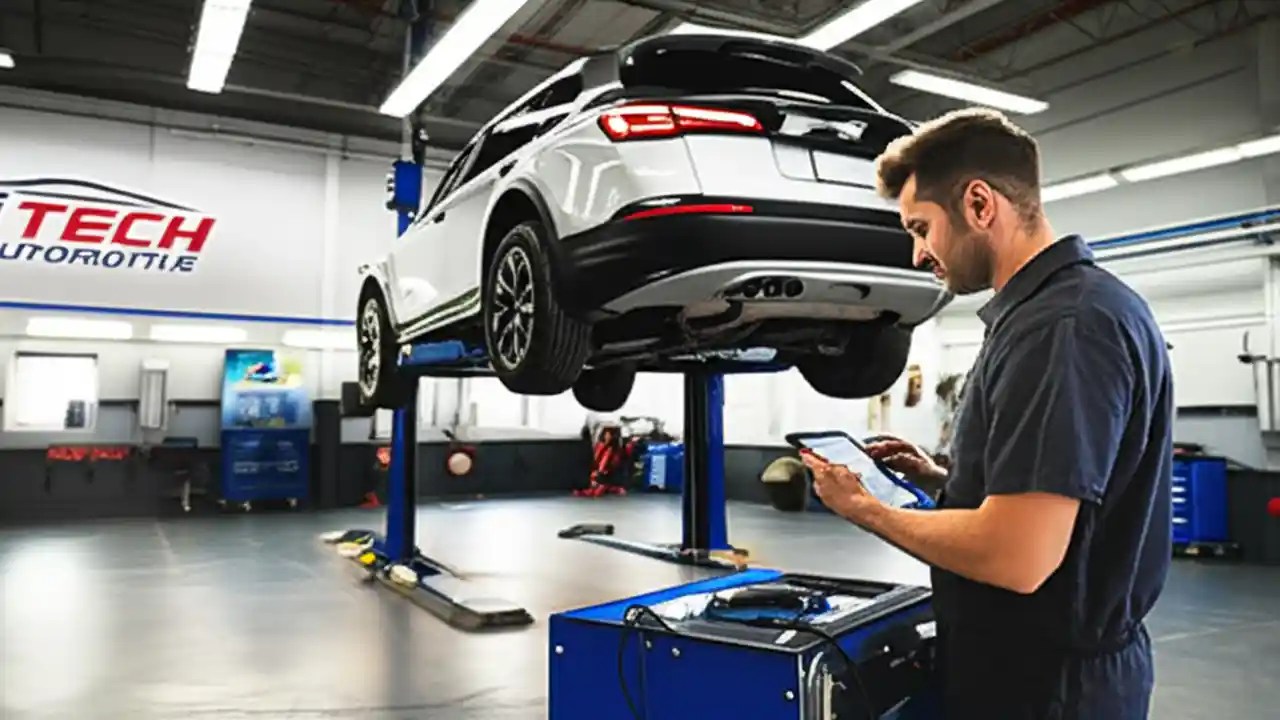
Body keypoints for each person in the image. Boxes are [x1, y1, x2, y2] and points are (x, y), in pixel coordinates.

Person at [801, 107, 1173, 719]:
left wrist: (866, 508)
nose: (919, 254)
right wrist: (950, 481)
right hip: (1035, 672)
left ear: (979, 205)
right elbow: (1074, 503)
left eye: (922, 228)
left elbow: (1017, 555)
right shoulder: (1061, 311)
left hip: (1044, 689)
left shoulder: (1062, 328)